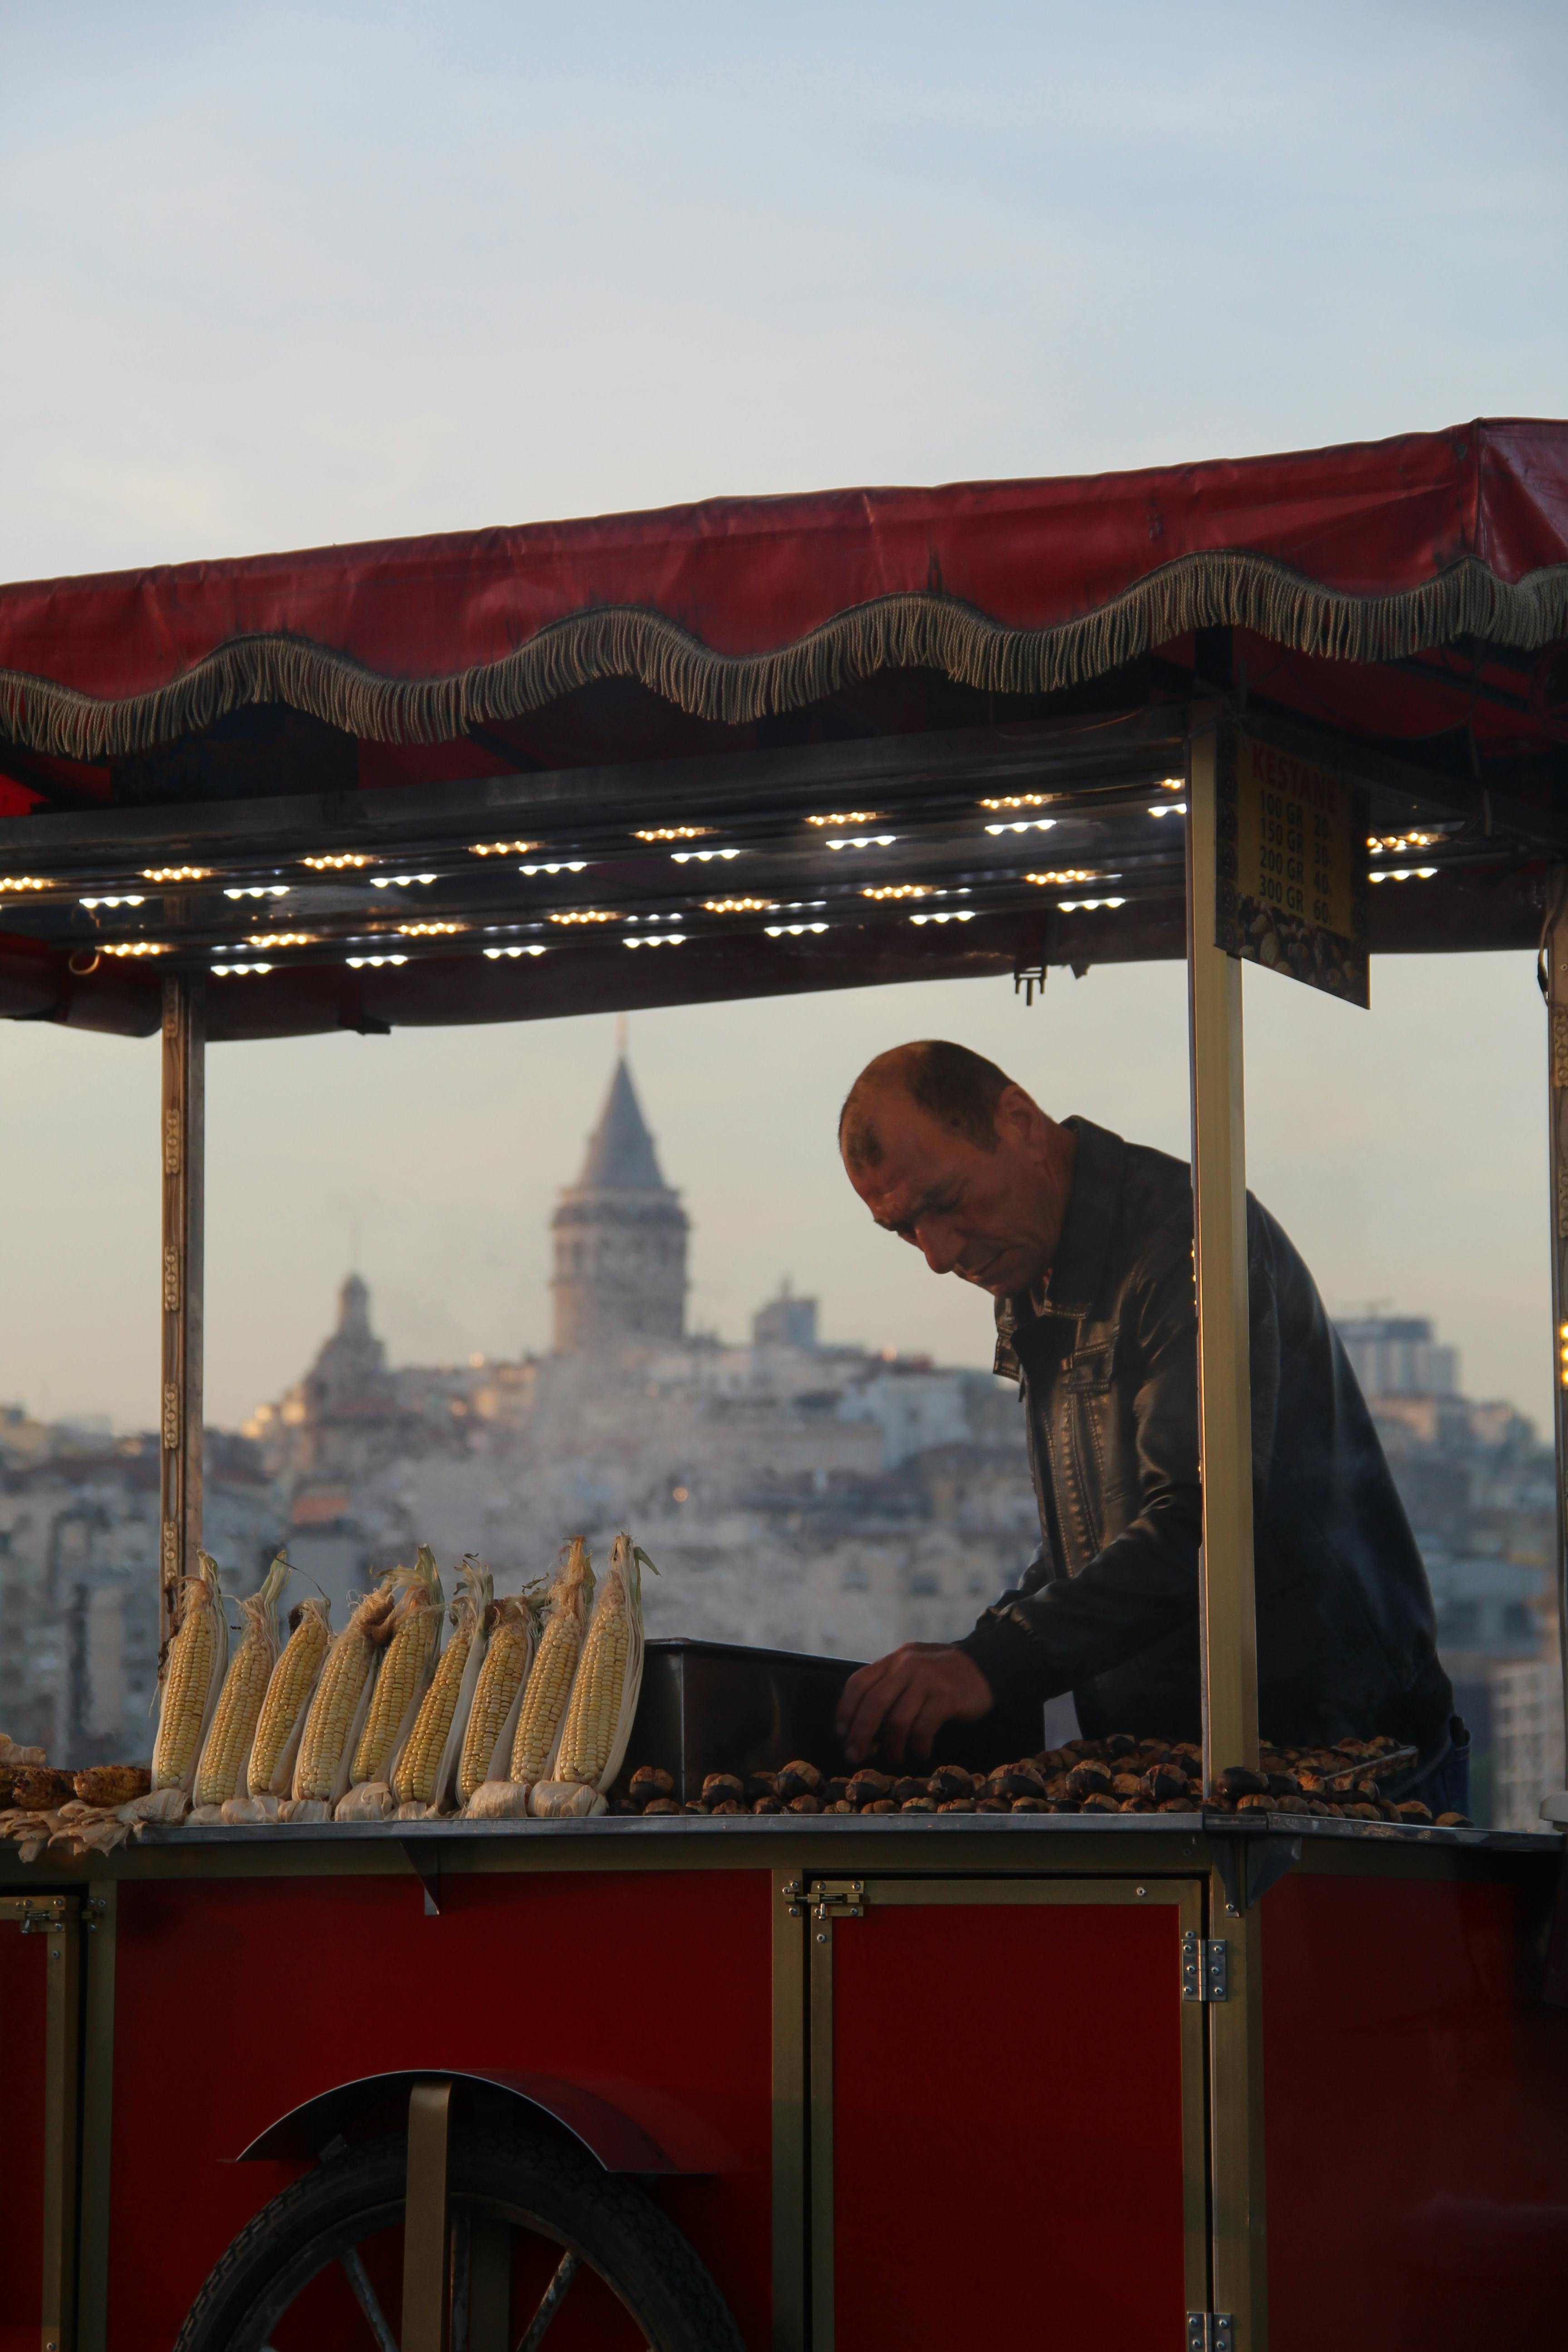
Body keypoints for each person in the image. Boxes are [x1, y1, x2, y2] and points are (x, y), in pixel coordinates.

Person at [833, 1039, 1467, 1814]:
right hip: (1188, 1775)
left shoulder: (1186, 1243)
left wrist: (993, 1661)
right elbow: (1094, 1544)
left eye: (948, 1200)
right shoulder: (1031, 1268)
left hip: (1345, 1769)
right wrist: (972, 1652)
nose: (936, 1255)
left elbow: (1199, 1526)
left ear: (1020, 1123)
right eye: (903, 1230)